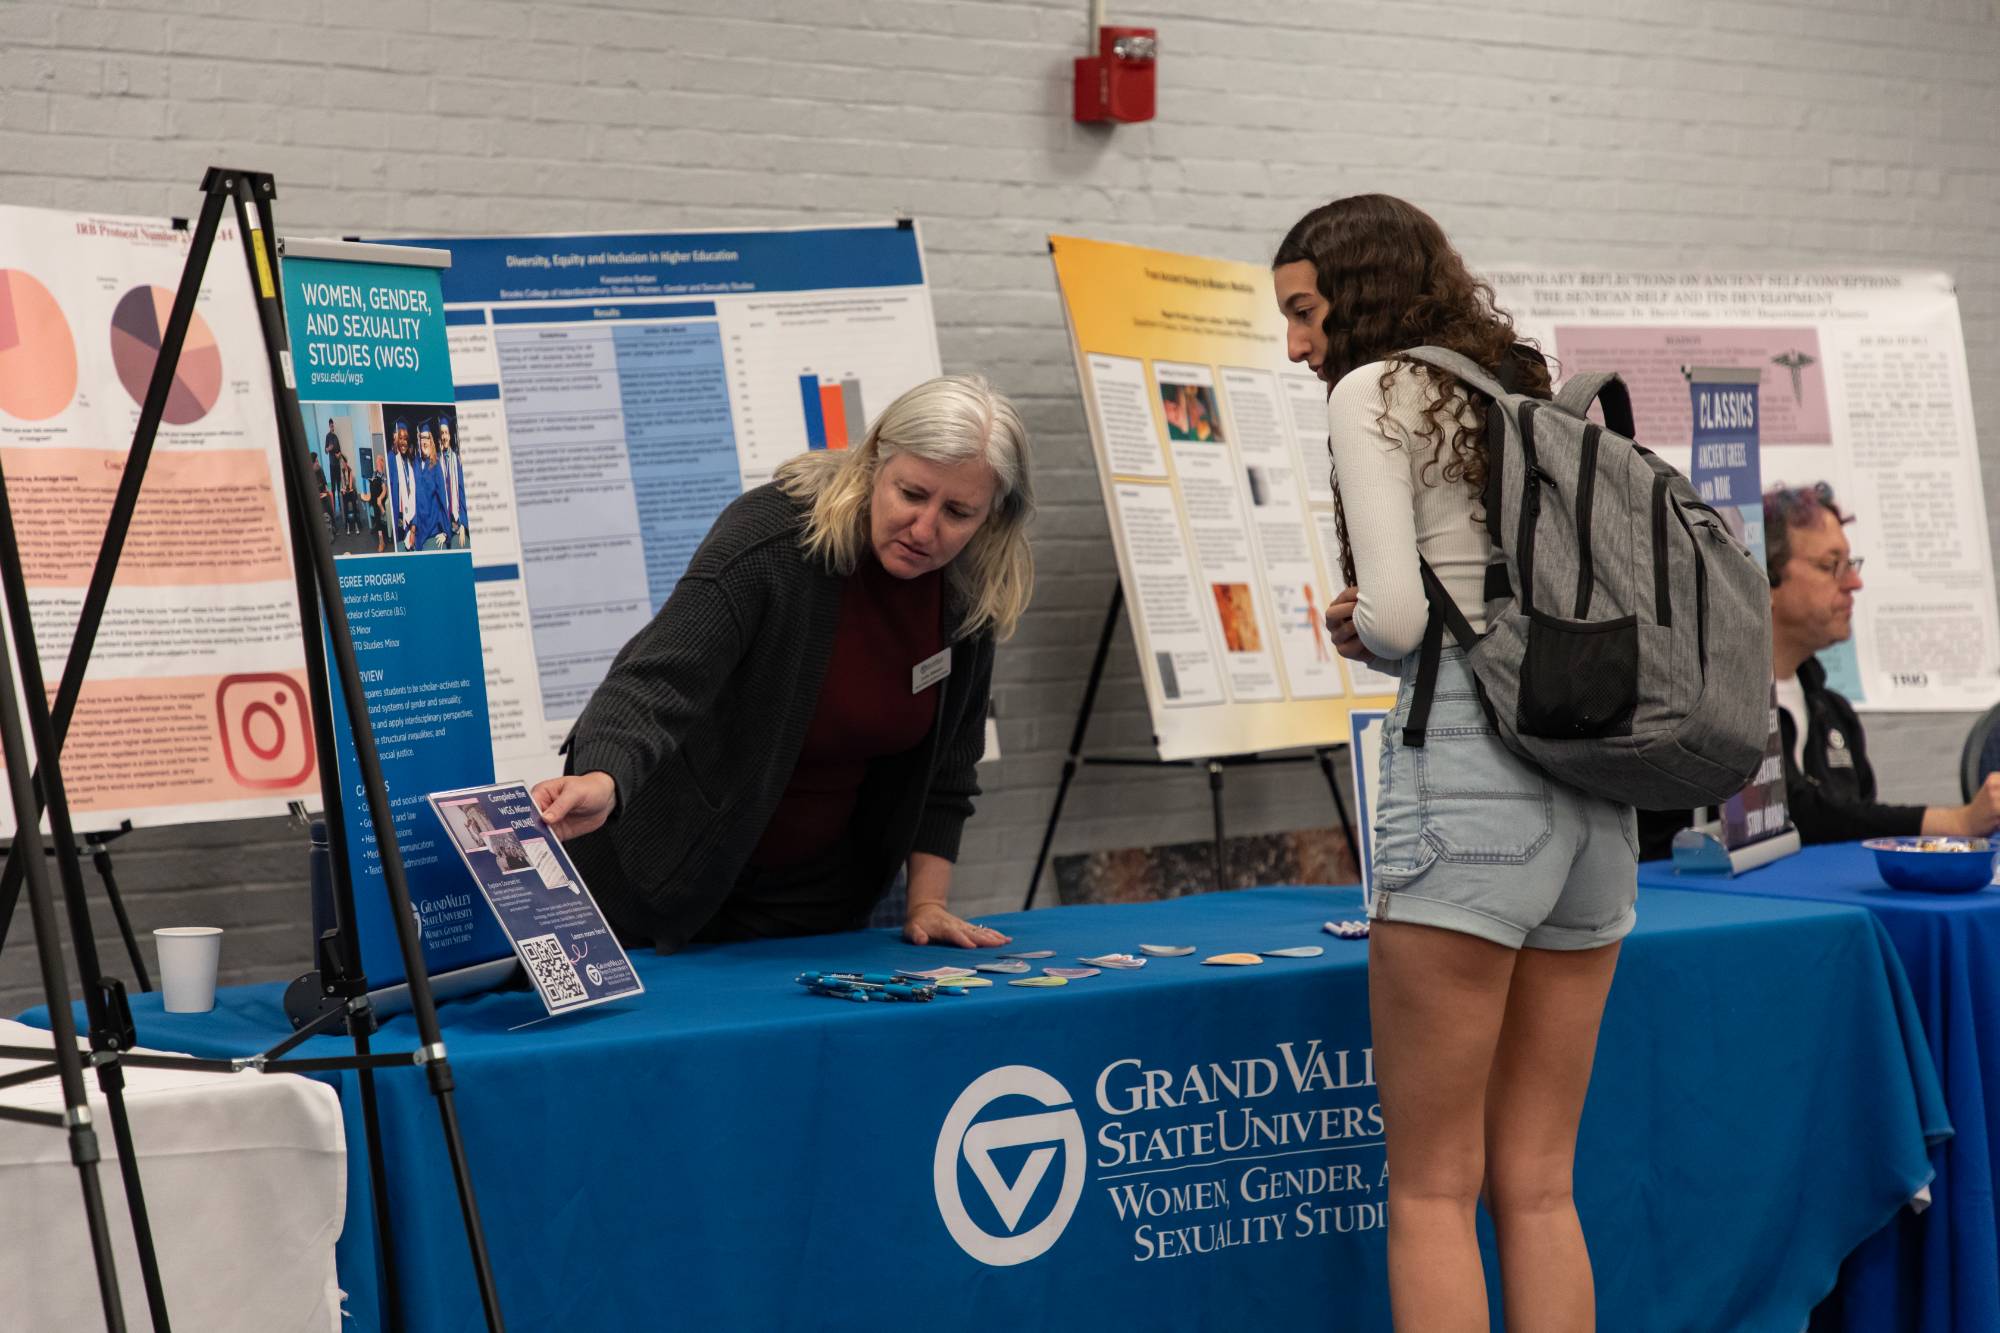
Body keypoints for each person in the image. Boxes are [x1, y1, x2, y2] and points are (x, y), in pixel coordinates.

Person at [1275, 194, 1625, 1332]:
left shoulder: (1372, 391)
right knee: (1540, 1183)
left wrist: (1351, 618)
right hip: (1597, 787)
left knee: (1430, 1185)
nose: (1294, 342)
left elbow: (1388, 619)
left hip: (1471, 771)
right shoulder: (1523, 391)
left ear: (1354, 293)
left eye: (1302, 309)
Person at [532, 374, 1032, 954]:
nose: (925, 529)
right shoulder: (774, 537)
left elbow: (948, 769)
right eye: (912, 495)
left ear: (990, 517)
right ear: (874, 464)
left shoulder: (969, 592)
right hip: (655, 874)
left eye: (959, 512)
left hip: (814, 905)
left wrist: (926, 904)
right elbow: (659, 680)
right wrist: (604, 777)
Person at [1638, 482, 2000, 857]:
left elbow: (1854, 823)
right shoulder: (1707, 705)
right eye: (1831, 567)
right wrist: (1954, 822)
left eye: (1851, 565)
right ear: (1762, 579)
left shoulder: (1833, 712)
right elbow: (1795, 814)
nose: (1854, 583)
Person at [413, 419, 451, 551]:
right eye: (421, 438)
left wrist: (446, 531)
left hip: (433, 528)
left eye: (426, 438)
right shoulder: (416, 464)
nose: (424, 441)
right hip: (419, 528)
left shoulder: (436, 465)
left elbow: (442, 498)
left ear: (431, 441)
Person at [438, 414, 469, 548]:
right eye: (441, 433)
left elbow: (462, 494)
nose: (444, 436)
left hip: (458, 520)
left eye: (446, 433)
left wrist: (463, 524)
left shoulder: (457, 460)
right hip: (444, 524)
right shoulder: (436, 462)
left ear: (450, 435)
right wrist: (443, 530)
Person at [389, 419, 417, 552]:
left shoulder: (410, 462)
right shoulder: (392, 459)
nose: (404, 442)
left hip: (410, 516)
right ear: (396, 440)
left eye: (406, 439)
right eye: (400, 438)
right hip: (399, 515)